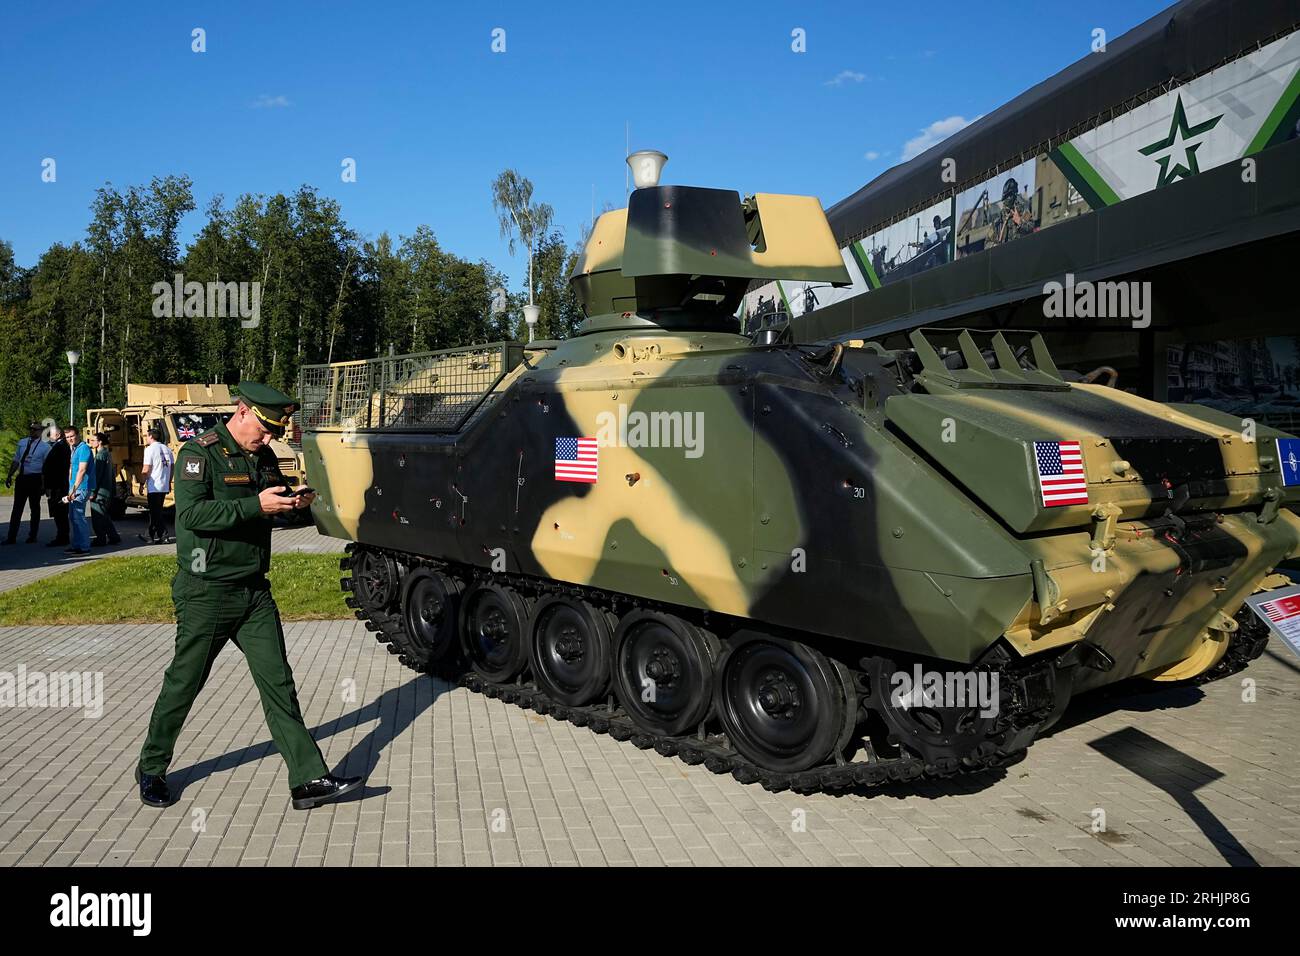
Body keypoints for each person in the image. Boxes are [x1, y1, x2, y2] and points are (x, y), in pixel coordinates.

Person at [136, 382, 362, 811]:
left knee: (279, 684)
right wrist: (255, 506)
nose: (270, 438)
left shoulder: (263, 457)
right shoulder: (198, 454)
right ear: (242, 412)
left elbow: (270, 504)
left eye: (275, 431)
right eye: (266, 428)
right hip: (207, 591)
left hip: (254, 591)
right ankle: (151, 768)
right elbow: (193, 515)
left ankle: (308, 779)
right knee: (184, 684)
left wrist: (294, 504)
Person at [3, 421, 49, 545]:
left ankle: (32, 535)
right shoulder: (22, 442)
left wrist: (44, 485)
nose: (33, 431)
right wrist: (9, 476)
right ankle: (11, 536)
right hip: (22, 478)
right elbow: (16, 460)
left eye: (36, 429)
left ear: (41, 431)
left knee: (35, 508)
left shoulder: (45, 447)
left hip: (35, 478)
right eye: (31, 429)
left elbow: (46, 467)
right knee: (17, 508)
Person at [139, 426, 173, 544]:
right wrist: (169, 481)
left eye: (147, 436)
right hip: (164, 484)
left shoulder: (149, 450)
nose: (146, 438)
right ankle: (149, 535)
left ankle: (163, 536)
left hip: (154, 485)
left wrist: (142, 483)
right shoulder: (167, 449)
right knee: (156, 511)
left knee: (155, 512)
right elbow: (172, 467)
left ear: (151, 437)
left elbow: (146, 468)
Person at [87, 431, 121, 547]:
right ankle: (113, 536)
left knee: (97, 517)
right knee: (104, 515)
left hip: (100, 491)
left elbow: (97, 475)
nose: (91, 442)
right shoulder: (107, 453)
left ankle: (100, 538)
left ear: (99, 442)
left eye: (93, 440)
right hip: (107, 489)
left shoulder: (100, 455)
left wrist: (92, 491)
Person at [63, 425, 92, 555]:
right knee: (73, 517)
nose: (70, 439)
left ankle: (84, 547)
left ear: (78, 435)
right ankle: (76, 545)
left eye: (72, 436)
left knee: (79, 517)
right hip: (74, 487)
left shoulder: (84, 448)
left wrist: (74, 489)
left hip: (81, 487)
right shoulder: (74, 449)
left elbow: (82, 470)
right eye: (67, 437)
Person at [41, 425, 70, 548]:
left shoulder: (60, 447)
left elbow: (53, 468)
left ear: (57, 435)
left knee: (60, 512)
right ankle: (62, 536)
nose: (49, 437)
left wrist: (47, 485)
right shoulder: (60, 446)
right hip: (57, 485)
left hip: (58, 486)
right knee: (59, 513)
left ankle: (62, 537)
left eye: (50, 434)